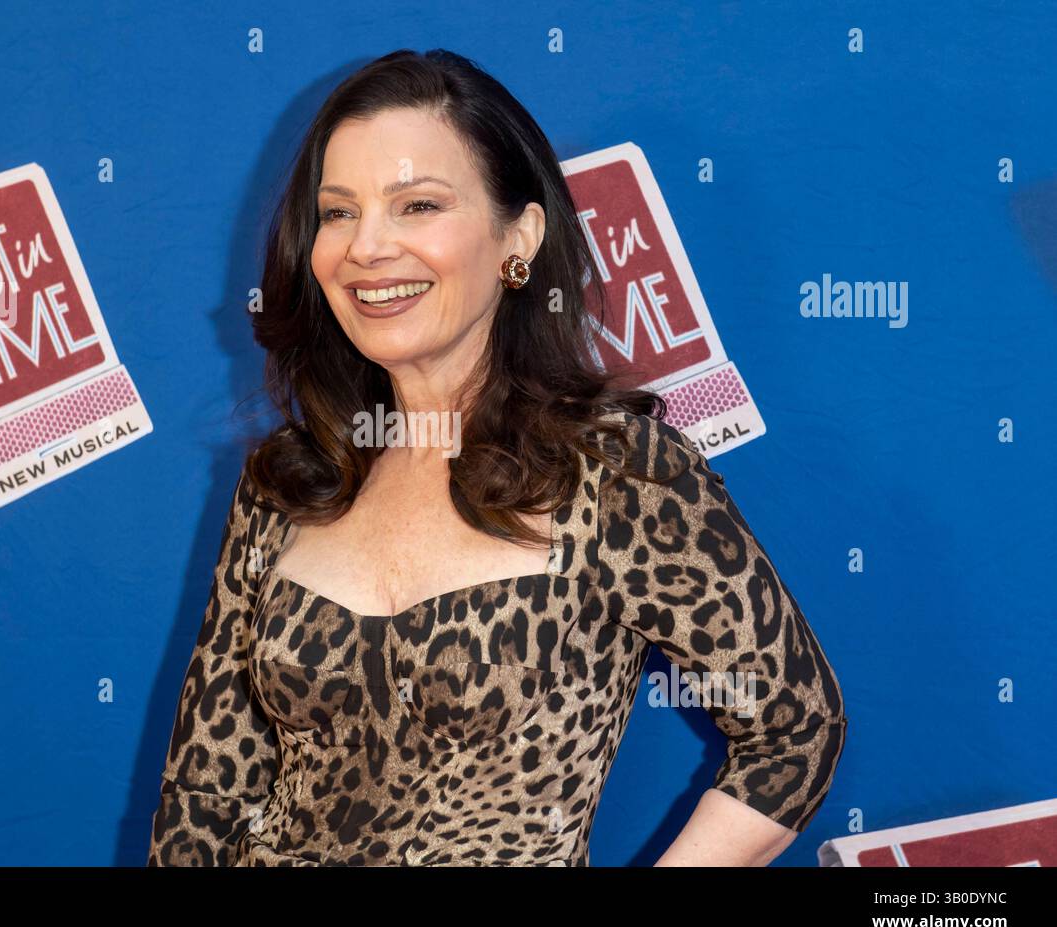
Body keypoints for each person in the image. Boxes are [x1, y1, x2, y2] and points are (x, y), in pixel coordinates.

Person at [147, 48, 847, 866]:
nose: (367, 246)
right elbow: (206, 786)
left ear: (519, 235)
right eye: (338, 212)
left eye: (417, 205)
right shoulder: (293, 476)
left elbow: (795, 730)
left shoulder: (620, 474)